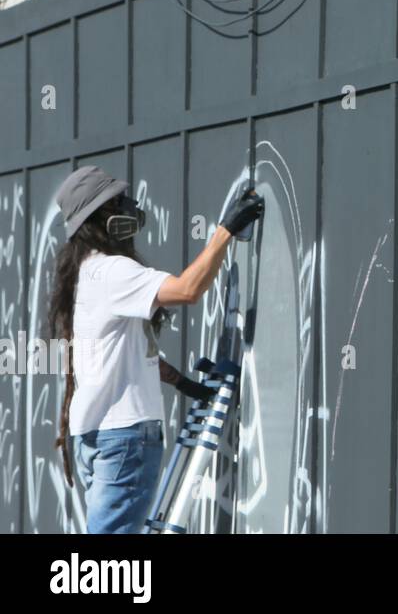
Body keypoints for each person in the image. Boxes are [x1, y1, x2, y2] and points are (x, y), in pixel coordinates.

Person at [48, 165, 265, 534]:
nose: (130, 206)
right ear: (100, 217)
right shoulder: (112, 271)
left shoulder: (86, 271)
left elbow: (122, 354)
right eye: (117, 202)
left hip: (97, 437)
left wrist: (183, 384)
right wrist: (225, 232)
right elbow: (187, 290)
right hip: (123, 440)